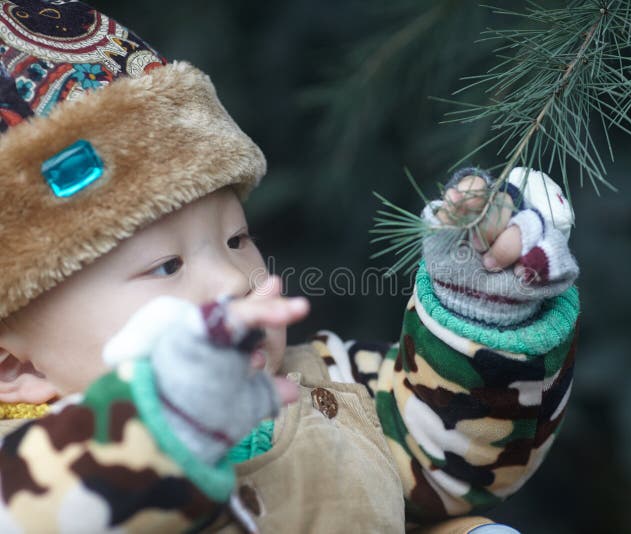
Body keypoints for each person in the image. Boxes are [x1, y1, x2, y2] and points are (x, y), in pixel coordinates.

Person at [0, 1, 580, 532]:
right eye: (166, 266)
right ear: (12, 365)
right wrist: (164, 417)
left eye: (236, 239)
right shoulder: (26, 478)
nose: (233, 280)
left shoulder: (327, 378)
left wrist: (482, 306)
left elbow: (446, 474)